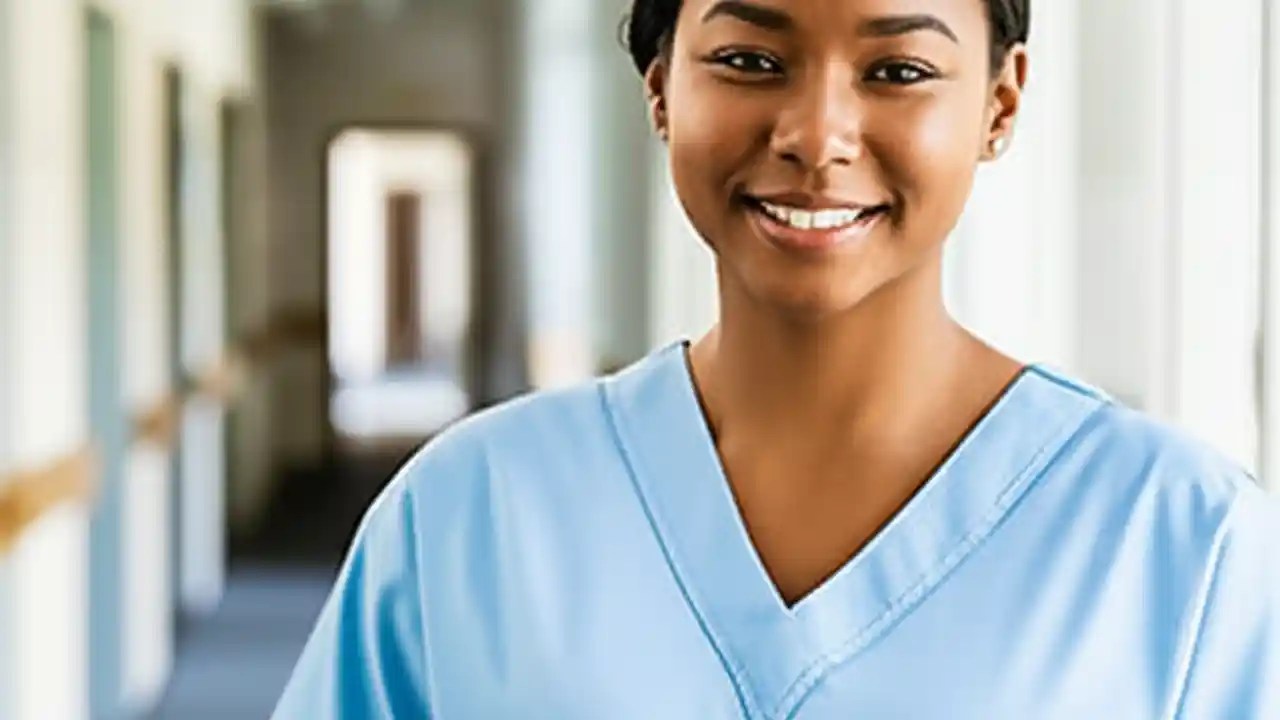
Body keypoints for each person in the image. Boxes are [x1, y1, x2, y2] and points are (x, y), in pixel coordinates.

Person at [273, 0, 1280, 717]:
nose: (814, 135)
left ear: (999, 105)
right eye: (750, 61)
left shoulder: (1183, 545)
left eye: (896, 71)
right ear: (660, 86)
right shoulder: (468, 510)